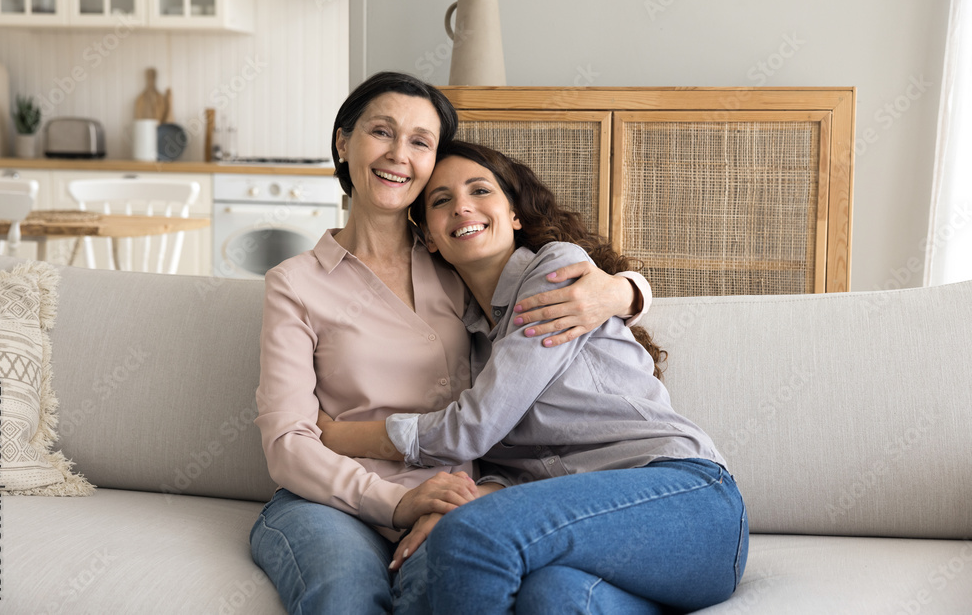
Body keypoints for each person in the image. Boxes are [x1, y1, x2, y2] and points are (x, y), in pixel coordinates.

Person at [250, 72, 649, 615]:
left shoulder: (457, 259)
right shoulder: (295, 283)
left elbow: (551, 287)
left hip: (456, 496)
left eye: (419, 141)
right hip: (329, 498)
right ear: (344, 143)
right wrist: (398, 501)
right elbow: (288, 443)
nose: (398, 154)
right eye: (381, 132)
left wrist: (626, 290)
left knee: (436, 597)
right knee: (344, 597)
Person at [318, 140, 749, 614]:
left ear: (515, 215)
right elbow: (518, 465)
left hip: (687, 501)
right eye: (440, 201)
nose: (462, 206)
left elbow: (473, 427)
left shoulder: (555, 271)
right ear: (431, 239)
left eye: (479, 190)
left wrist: (337, 435)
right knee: (551, 600)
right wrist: (464, 502)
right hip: (602, 543)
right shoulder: (468, 342)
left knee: (473, 535)